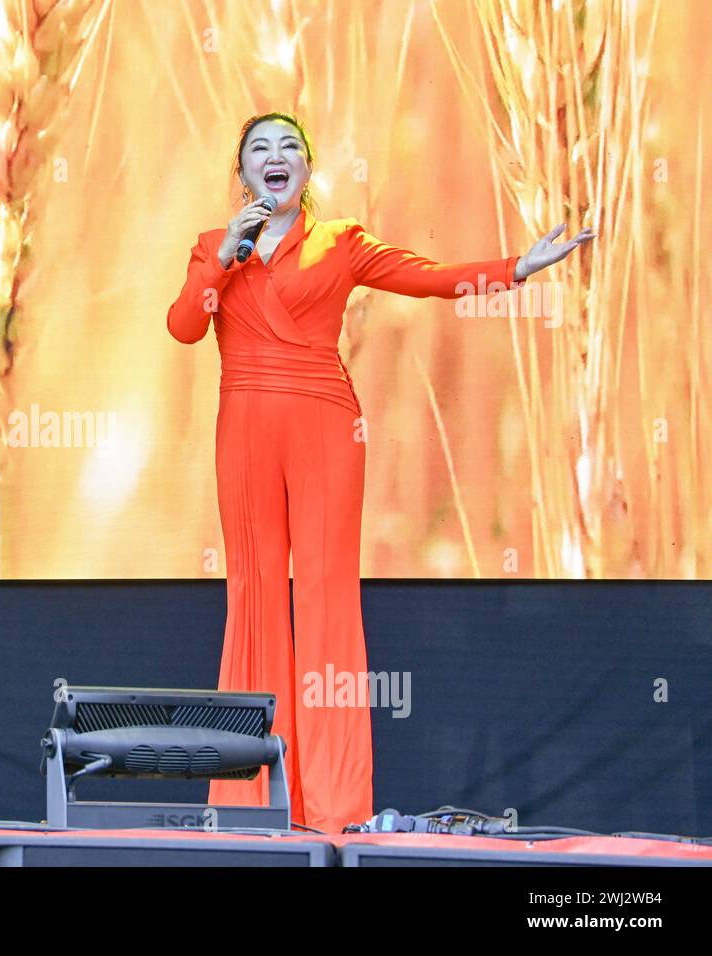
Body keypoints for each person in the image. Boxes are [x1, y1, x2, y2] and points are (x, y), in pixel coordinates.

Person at [166, 112, 594, 833]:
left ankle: (333, 806)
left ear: (308, 168)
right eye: (259, 151)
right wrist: (223, 261)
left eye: (289, 148)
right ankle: (248, 800)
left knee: (329, 599)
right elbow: (184, 325)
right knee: (255, 600)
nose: (276, 159)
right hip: (242, 429)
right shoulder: (213, 248)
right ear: (241, 174)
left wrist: (517, 268)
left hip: (327, 427)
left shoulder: (341, 242)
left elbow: (428, 279)